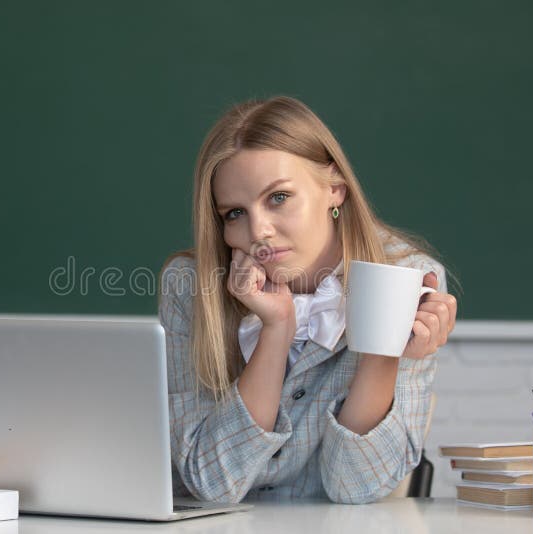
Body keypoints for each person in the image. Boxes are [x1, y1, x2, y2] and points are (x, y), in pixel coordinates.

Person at [158, 96, 457, 504]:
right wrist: (276, 329)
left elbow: (356, 489)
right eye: (234, 213)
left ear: (334, 189)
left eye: (278, 198)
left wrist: (385, 351)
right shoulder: (189, 288)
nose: (259, 230)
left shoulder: (408, 278)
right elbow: (212, 484)